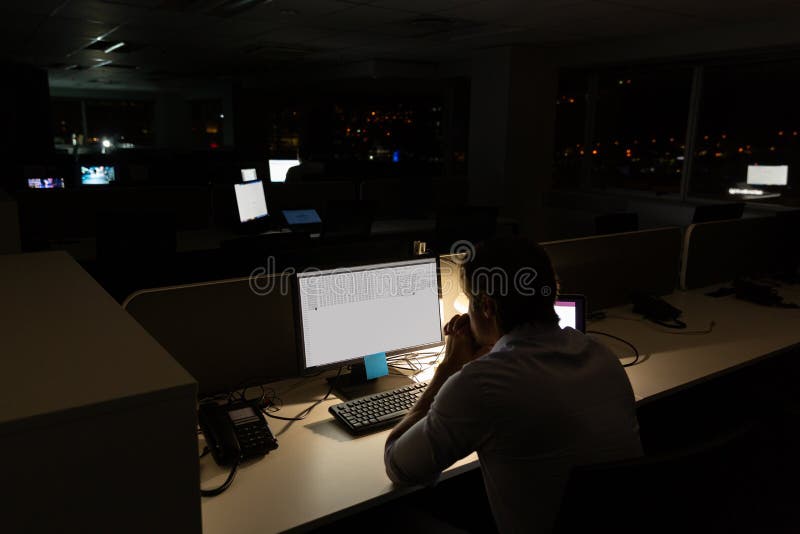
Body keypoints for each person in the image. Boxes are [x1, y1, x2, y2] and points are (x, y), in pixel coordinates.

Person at [384, 237, 643, 533]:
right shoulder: (602, 354)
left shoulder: (479, 385)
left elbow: (398, 466)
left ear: (488, 308)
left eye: (470, 301)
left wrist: (448, 368)